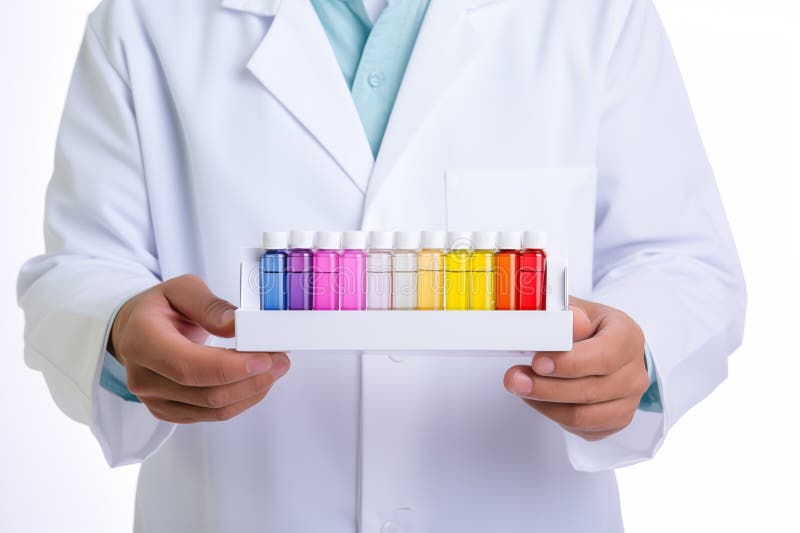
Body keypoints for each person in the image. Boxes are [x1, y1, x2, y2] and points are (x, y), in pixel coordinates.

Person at [17, 0, 746, 531]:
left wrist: (637, 351)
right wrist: (116, 330)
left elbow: (682, 261)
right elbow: (78, 267)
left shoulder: (595, 15)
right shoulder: (146, 19)